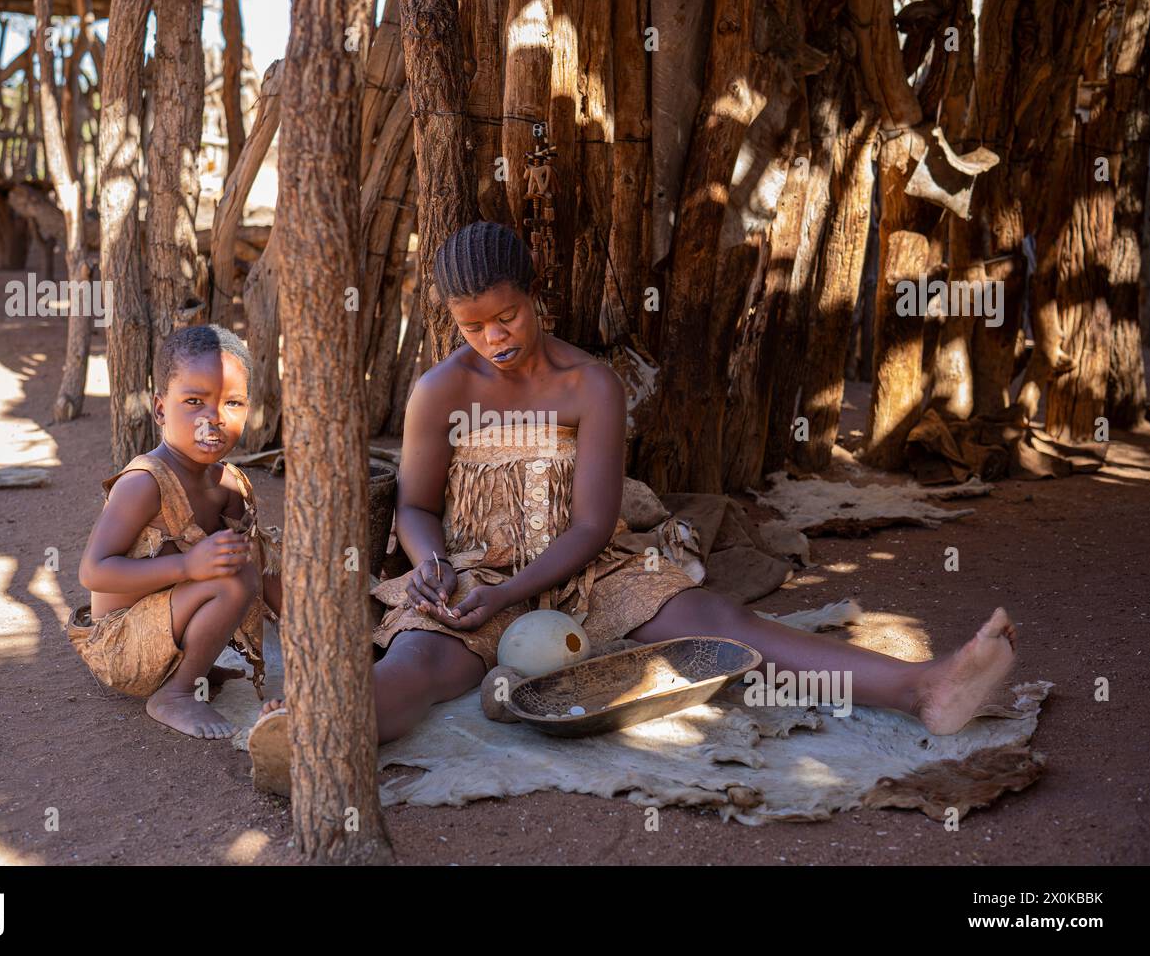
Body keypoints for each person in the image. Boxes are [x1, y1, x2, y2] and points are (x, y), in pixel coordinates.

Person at [247, 220, 1018, 793]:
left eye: (506, 316)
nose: (493, 337)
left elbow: (590, 523)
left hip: (590, 568)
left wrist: (516, 592)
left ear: (534, 294)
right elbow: (415, 505)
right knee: (417, 662)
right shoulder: (441, 389)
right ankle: (319, 730)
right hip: (471, 575)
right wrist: (433, 565)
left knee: (721, 624)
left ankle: (923, 687)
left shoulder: (590, 386)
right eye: (471, 324)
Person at [69, 325, 283, 739]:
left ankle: (190, 668)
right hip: (119, 646)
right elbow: (93, 573)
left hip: (165, 632)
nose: (214, 418)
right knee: (230, 577)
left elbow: (262, 568)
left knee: (243, 565)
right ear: (160, 409)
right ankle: (176, 694)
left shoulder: (231, 485)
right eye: (194, 402)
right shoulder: (145, 483)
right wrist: (189, 564)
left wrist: (313, 641)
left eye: (232, 403)